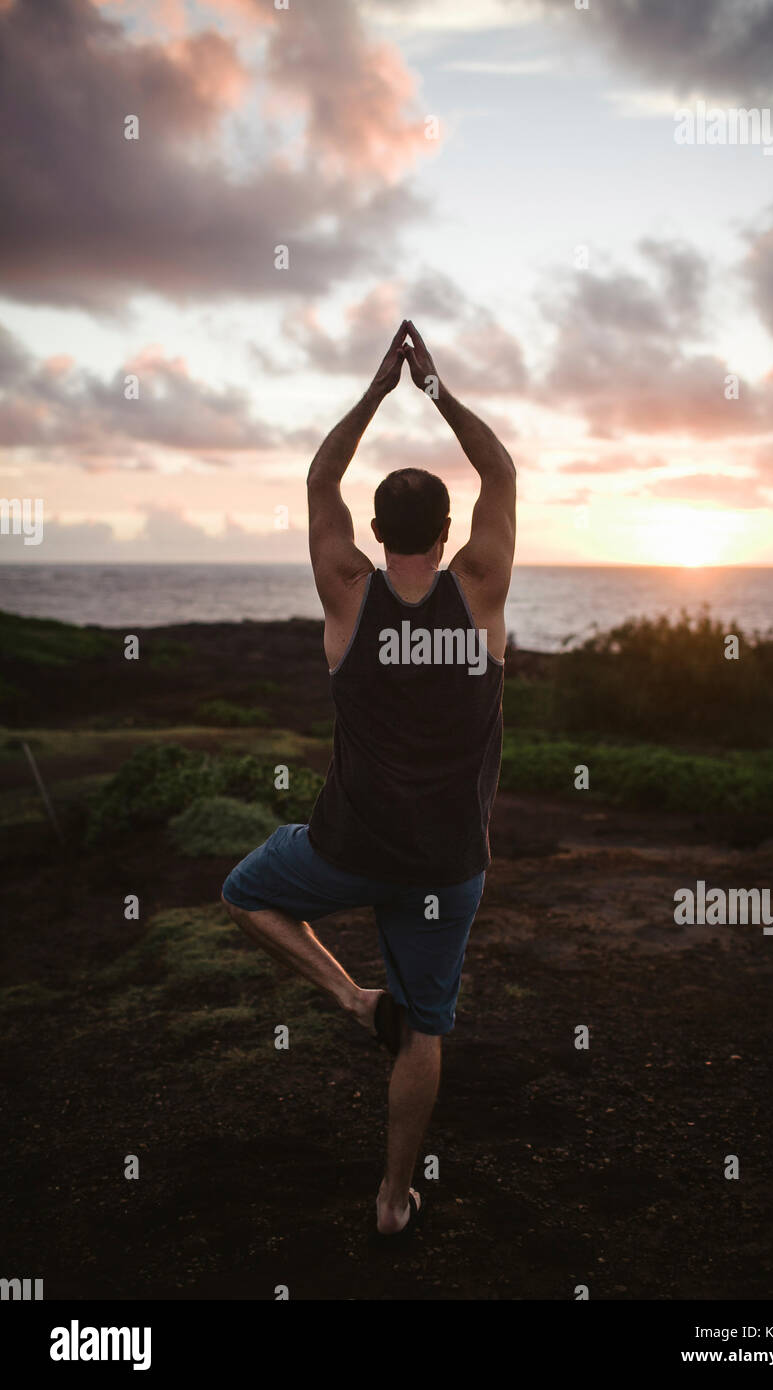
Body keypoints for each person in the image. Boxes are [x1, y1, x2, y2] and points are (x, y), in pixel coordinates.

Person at [221, 319, 516, 1236]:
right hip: (449, 865)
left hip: (346, 851)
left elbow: (318, 481)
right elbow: (502, 475)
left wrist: (379, 389)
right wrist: (434, 390)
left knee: (246, 893)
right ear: (449, 531)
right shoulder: (482, 589)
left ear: (379, 531)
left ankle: (351, 996)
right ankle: (393, 1201)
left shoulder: (349, 593)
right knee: (424, 1028)